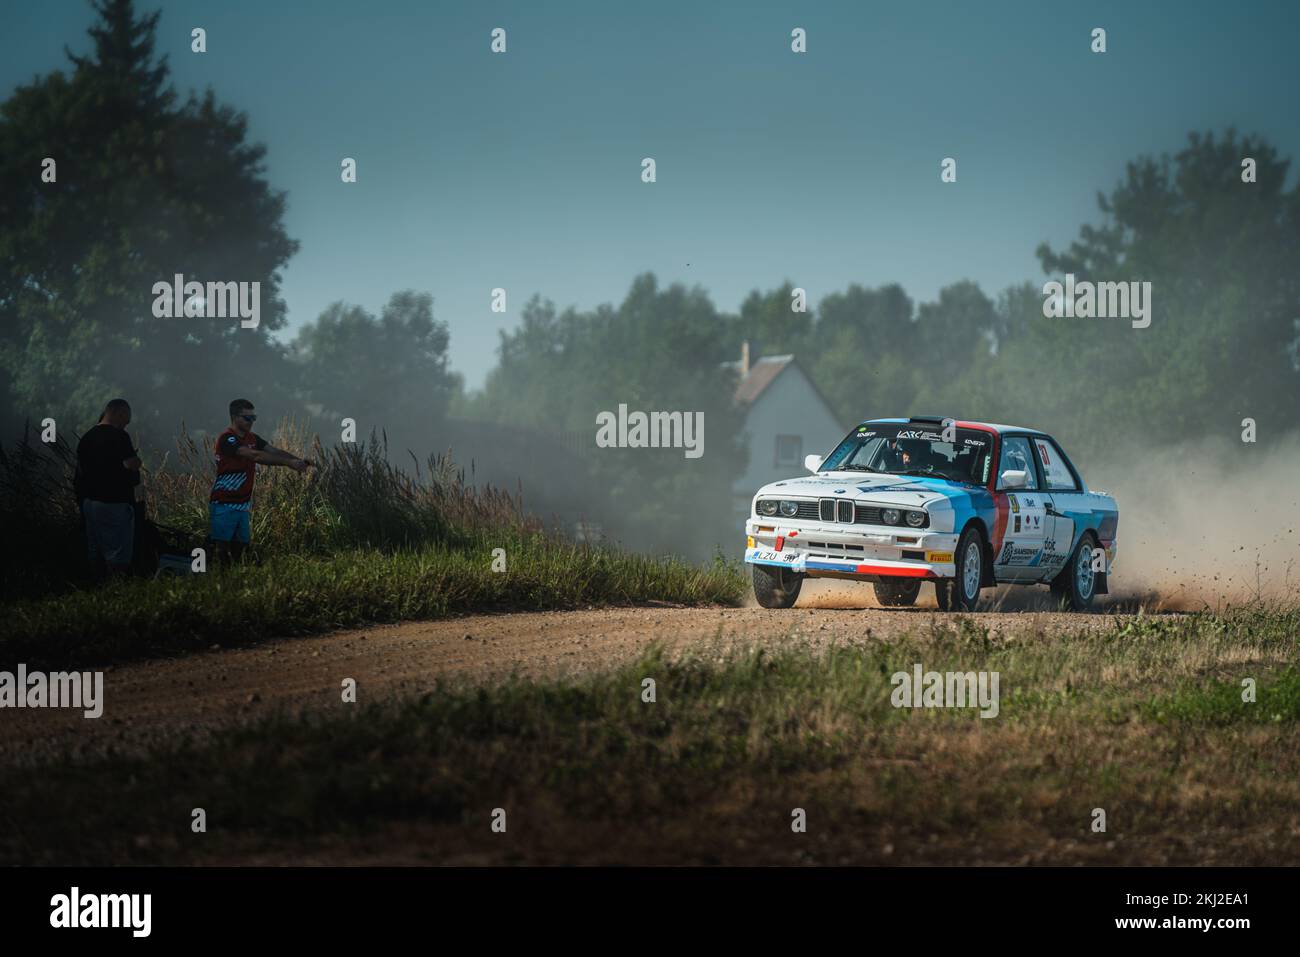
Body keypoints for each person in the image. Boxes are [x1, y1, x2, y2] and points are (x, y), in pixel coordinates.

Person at [209, 398, 312, 561]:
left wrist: (297, 461)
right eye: (247, 418)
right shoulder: (227, 439)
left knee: (241, 550)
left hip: (242, 505)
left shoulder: (253, 438)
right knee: (221, 551)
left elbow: (274, 451)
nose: (251, 422)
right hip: (223, 504)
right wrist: (288, 463)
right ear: (235, 417)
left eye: (253, 418)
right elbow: (255, 455)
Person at [75, 398, 142, 578]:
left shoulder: (86, 438)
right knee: (118, 558)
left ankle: (96, 589)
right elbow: (130, 464)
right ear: (119, 414)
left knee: (95, 553)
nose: (124, 426)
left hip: (90, 503)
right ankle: (116, 591)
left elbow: (79, 476)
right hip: (114, 503)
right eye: (125, 421)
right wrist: (136, 463)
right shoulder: (119, 436)